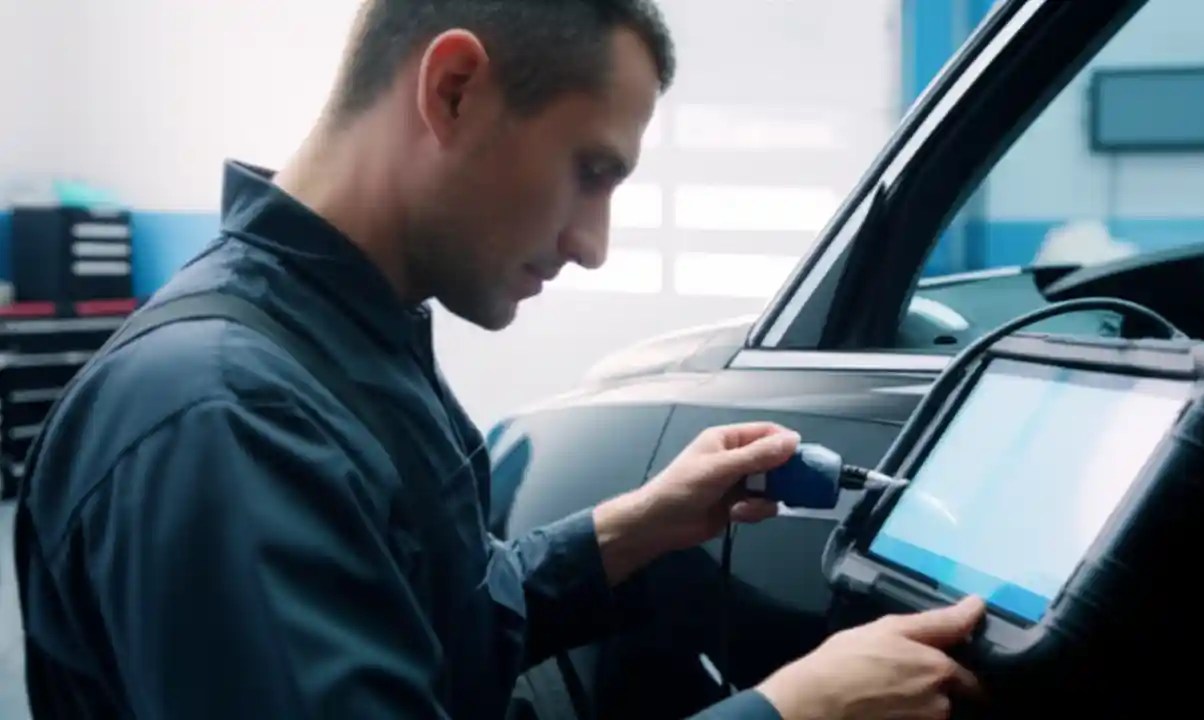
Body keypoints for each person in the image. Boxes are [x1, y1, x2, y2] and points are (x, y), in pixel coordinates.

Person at [12, 1, 985, 718]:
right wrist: (791, 712)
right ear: (454, 91)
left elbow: (436, 615)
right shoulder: (224, 421)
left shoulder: (348, 337)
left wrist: (634, 528)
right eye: (590, 172)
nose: (594, 244)